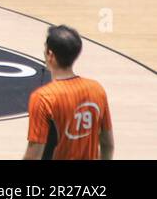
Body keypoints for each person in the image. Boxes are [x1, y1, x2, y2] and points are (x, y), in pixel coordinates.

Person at [24, 25, 114, 161]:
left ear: (50, 54)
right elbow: (108, 145)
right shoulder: (97, 89)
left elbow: (33, 155)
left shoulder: (44, 98)